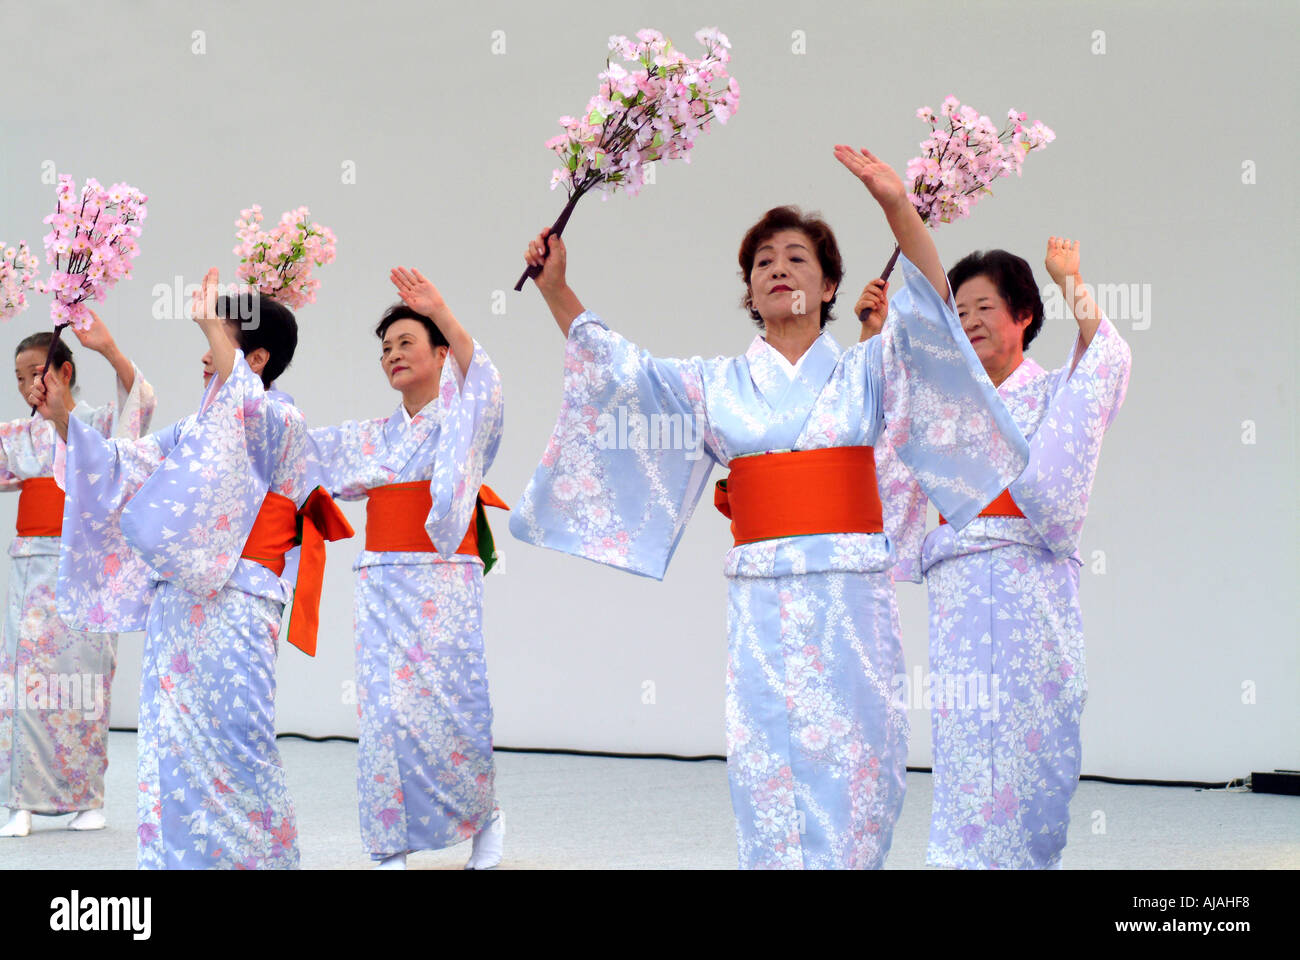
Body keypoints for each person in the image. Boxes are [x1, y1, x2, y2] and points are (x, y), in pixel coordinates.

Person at [510, 145, 1030, 869]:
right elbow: (625, 375)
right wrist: (556, 289)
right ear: (750, 294)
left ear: (829, 288)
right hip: (762, 604)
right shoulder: (715, 385)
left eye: (796, 258)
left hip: (851, 601)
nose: (778, 269)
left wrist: (896, 206)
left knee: (857, 762)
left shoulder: (866, 371)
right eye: (762, 263)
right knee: (770, 764)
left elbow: (933, 317)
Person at [29, 269, 352, 869]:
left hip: (239, 597)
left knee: (237, 739)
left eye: (221, 340)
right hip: (179, 603)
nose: (207, 355)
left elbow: (244, 407)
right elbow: (125, 464)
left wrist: (209, 313)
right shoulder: (195, 430)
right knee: (169, 745)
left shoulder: (278, 417)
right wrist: (64, 413)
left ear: (256, 358)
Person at [881, 238, 1132, 868]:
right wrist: (875, 333)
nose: (969, 322)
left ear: (1023, 315)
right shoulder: (941, 409)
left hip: (1033, 588)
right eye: (958, 312)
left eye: (984, 307)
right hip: (962, 591)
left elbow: (1106, 359)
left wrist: (1071, 279)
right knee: (966, 753)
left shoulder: (1053, 392)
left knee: (1033, 753)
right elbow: (882, 451)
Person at [306, 267, 506, 871]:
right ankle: (389, 842)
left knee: (452, 705)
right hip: (382, 581)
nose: (392, 354)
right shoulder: (373, 436)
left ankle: (485, 818)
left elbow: (485, 382)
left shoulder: (464, 414)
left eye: (406, 342)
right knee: (385, 714)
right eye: (386, 348)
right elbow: (301, 453)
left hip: (444, 578)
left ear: (441, 353)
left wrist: (441, 310)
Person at [0, 315, 154, 838]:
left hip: (88, 570)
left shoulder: (101, 424)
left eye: (35, 374)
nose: (26, 387)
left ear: (64, 372)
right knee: (22, 685)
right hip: (31, 571)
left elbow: (142, 406)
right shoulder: (17, 436)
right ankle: (19, 802)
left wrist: (109, 348)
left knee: (85, 686)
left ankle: (87, 798)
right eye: (18, 377)